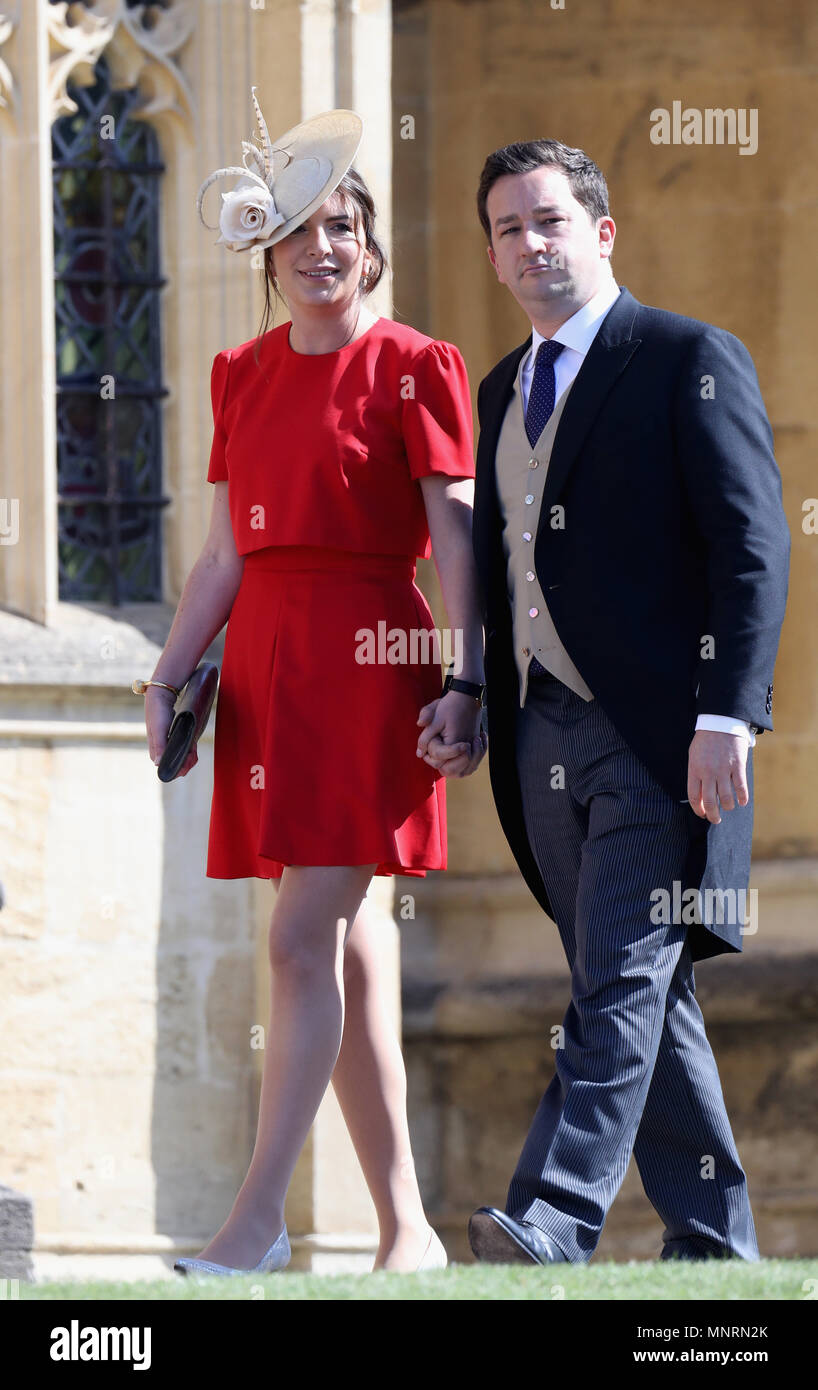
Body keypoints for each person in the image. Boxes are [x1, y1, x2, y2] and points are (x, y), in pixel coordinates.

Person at [418, 138, 790, 1264]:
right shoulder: (497, 391)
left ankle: (550, 1216)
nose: (529, 244)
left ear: (601, 231)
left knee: (619, 973)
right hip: (543, 731)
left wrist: (727, 713)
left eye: (548, 221)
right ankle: (711, 1244)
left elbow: (752, 545)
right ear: (488, 253)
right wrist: (469, 686)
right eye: (506, 229)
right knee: (636, 982)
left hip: (659, 734)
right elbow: (492, 563)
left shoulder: (684, 359)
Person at [135, 92, 487, 1275]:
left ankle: (254, 1220)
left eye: (340, 227)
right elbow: (225, 551)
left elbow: (454, 538)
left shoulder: (418, 364)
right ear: (265, 255)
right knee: (341, 948)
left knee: (296, 940)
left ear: (368, 246)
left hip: (373, 666)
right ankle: (406, 1231)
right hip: (266, 676)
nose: (320, 250)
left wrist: (467, 678)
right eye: (296, 234)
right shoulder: (239, 374)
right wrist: (171, 670)